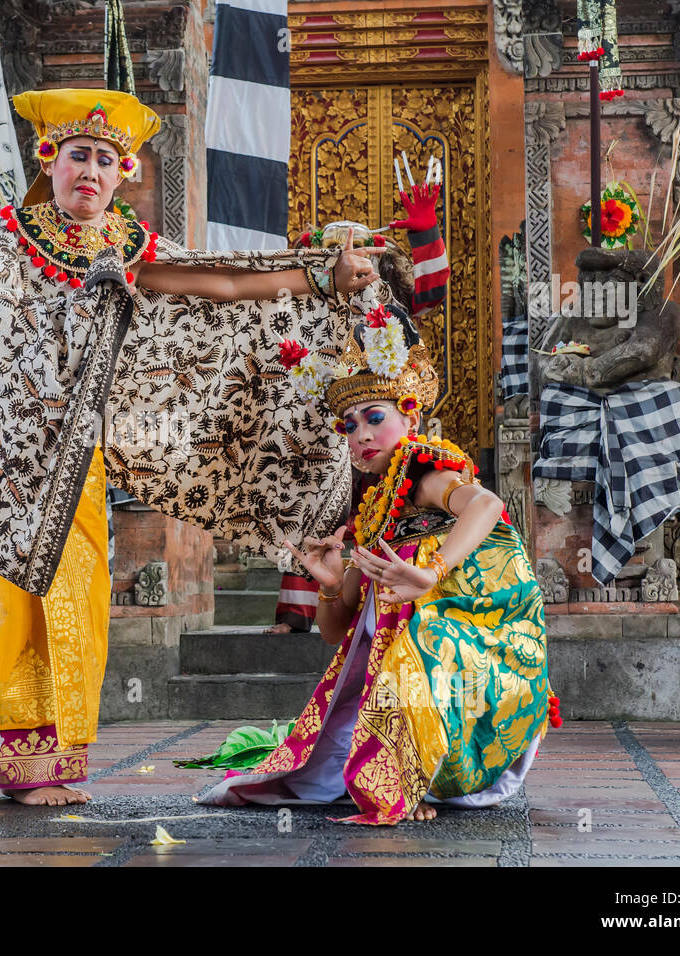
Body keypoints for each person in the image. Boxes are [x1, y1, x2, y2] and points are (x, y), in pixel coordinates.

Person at [0, 88, 385, 806]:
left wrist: (320, 278)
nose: (91, 172)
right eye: (79, 155)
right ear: (49, 159)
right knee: (1, 606)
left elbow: (220, 283)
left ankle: (53, 759)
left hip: (74, 465)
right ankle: (14, 769)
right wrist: (77, 324)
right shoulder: (9, 238)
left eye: (106, 161)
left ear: (123, 174)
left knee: (75, 601)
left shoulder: (124, 244)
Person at [199, 303, 560, 824]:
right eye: (349, 426)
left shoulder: (425, 472)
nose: (361, 436)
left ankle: (416, 778)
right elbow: (336, 633)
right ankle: (398, 774)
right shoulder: (373, 510)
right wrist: (329, 585)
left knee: (417, 643)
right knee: (379, 667)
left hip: (469, 630)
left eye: (374, 419)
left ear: (410, 418)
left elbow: (486, 505)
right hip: (403, 653)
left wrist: (431, 573)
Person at [269, 202, 451, 634]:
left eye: (360, 256)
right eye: (339, 257)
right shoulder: (314, 307)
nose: (352, 267)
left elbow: (431, 294)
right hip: (328, 430)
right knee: (316, 514)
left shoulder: (391, 305)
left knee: (389, 510)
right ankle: (299, 611)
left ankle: (392, 598)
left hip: (382, 428)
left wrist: (426, 231)